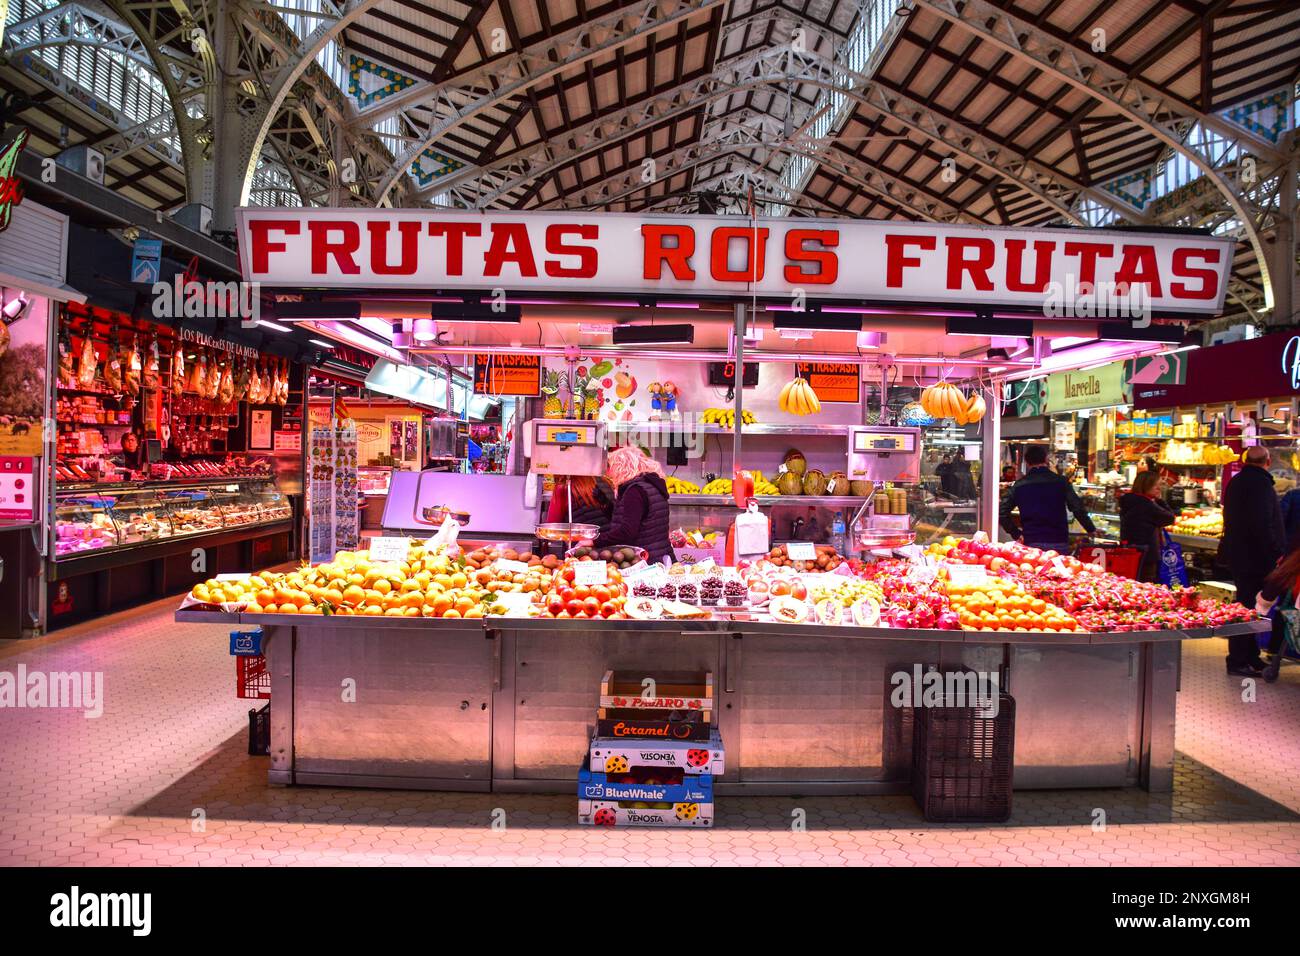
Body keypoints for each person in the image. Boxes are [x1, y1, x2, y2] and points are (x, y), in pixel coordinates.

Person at [1219, 445, 1285, 676]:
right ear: (1267, 461)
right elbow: (1263, 524)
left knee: (1247, 607)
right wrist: (1276, 552)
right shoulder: (1262, 485)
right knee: (1249, 608)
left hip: (1239, 555)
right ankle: (1238, 659)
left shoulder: (1236, 482)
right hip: (1256, 558)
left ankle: (1250, 656)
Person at [999, 443, 1096, 552]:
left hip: (1031, 541)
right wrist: (1090, 528)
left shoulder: (1019, 485)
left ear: (1026, 462)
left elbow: (1002, 512)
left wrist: (1016, 533)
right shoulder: (1061, 482)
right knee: (1057, 568)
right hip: (1058, 540)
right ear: (1045, 459)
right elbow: (1077, 508)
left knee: (1032, 569)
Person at [592, 445, 674, 562]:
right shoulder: (651, 485)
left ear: (622, 467)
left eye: (611, 466)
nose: (609, 472)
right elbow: (639, 521)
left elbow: (627, 531)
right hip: (660, 556)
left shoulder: (635, 490)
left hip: (644, 561)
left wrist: (595, 541)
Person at [1119, 471, 1176, 582]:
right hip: (1147, 554)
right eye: (1156, 485)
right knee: (1147, 583)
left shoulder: (1128, 500)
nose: (1159, 488)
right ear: (1146, 485)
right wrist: (1160, 500)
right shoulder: (1146, 504)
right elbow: (1170, 517)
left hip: (1130, 551)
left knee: (1133, 582)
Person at [546, 474, 615, 534]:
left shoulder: (563, 488)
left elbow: (552, 526)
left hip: (583, 544)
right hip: (610, 540)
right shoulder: (605, 481)